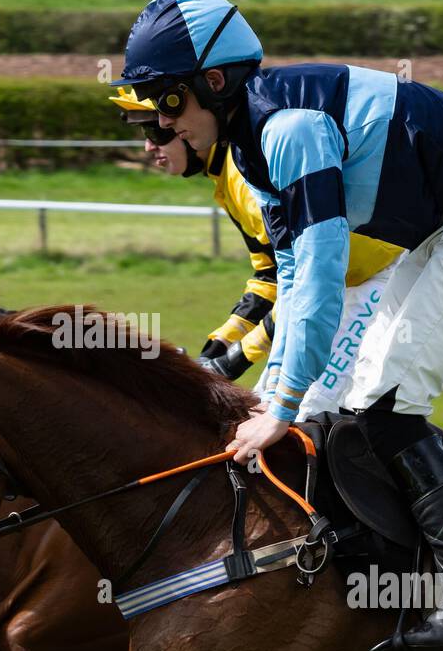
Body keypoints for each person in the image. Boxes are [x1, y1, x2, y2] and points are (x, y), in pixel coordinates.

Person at [113, 0, 443, 651]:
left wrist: (279, 405)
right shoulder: (254, 143)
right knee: (348, 409)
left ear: (216, 81)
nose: (162, 124)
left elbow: (320, 272)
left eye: (167, 101)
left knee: (385, 405)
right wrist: (276, 395)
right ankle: (379, 567)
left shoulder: (287, 129)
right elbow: (290, 282)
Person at [108, 88, 403, 418]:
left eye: (155, 132)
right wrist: (217, 347)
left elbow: (303, 286)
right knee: (265, 410)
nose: (150, 146)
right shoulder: (226, 177)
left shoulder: (242, 179)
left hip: (374, 277)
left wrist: (233, 359)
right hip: (336, 284)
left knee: (301, 415)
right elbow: (269, 278)